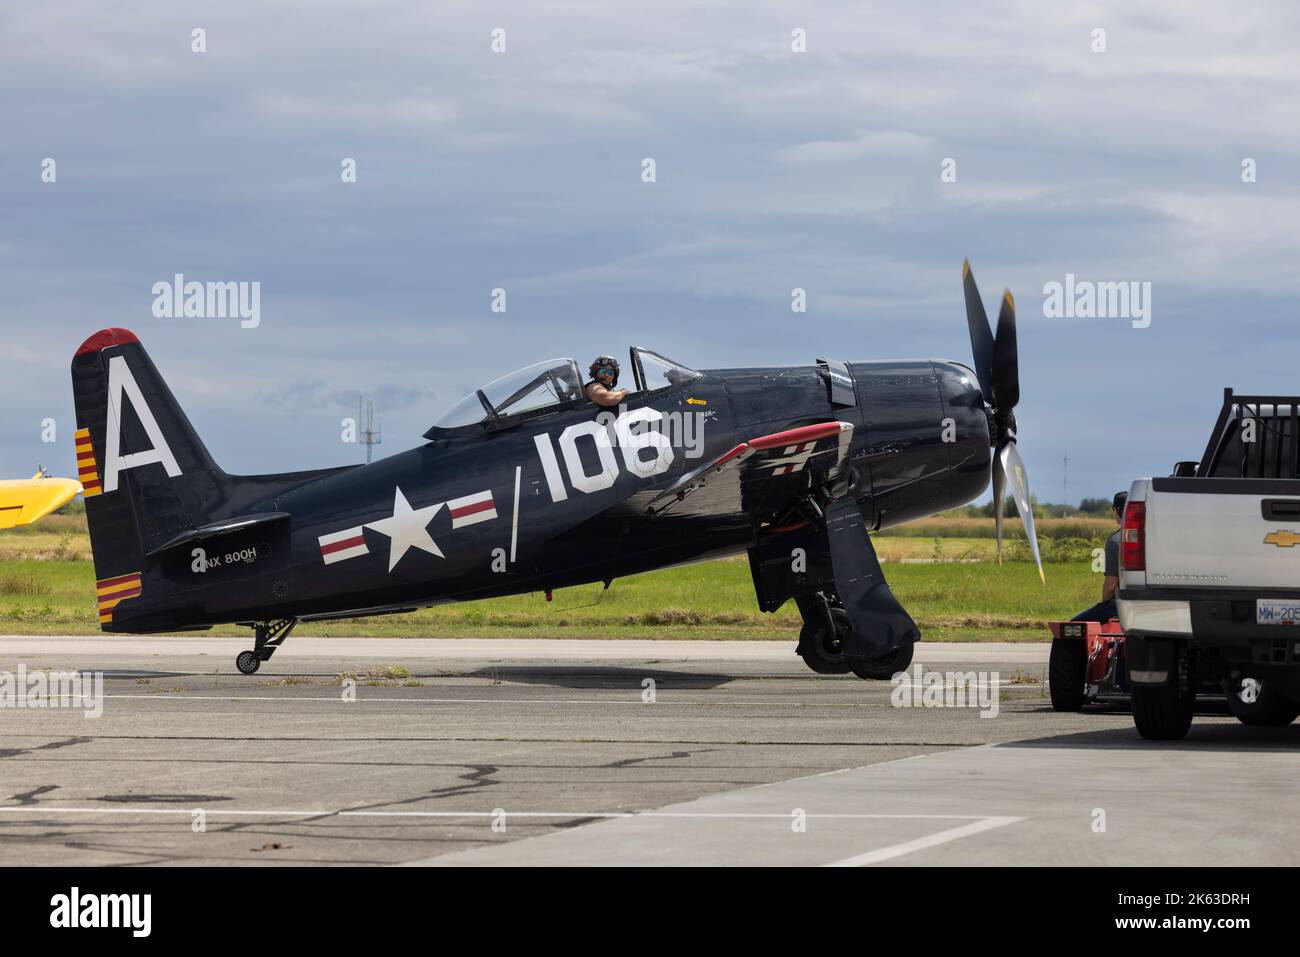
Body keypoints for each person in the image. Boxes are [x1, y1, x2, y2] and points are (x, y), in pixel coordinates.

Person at [1071, 491, 1127, 623]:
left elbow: (1110, 586)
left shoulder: (1116, 541)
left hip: (1120, 607)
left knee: (1072, 627)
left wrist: (1105, 605)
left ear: (1117, 510)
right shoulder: (1151, 536)